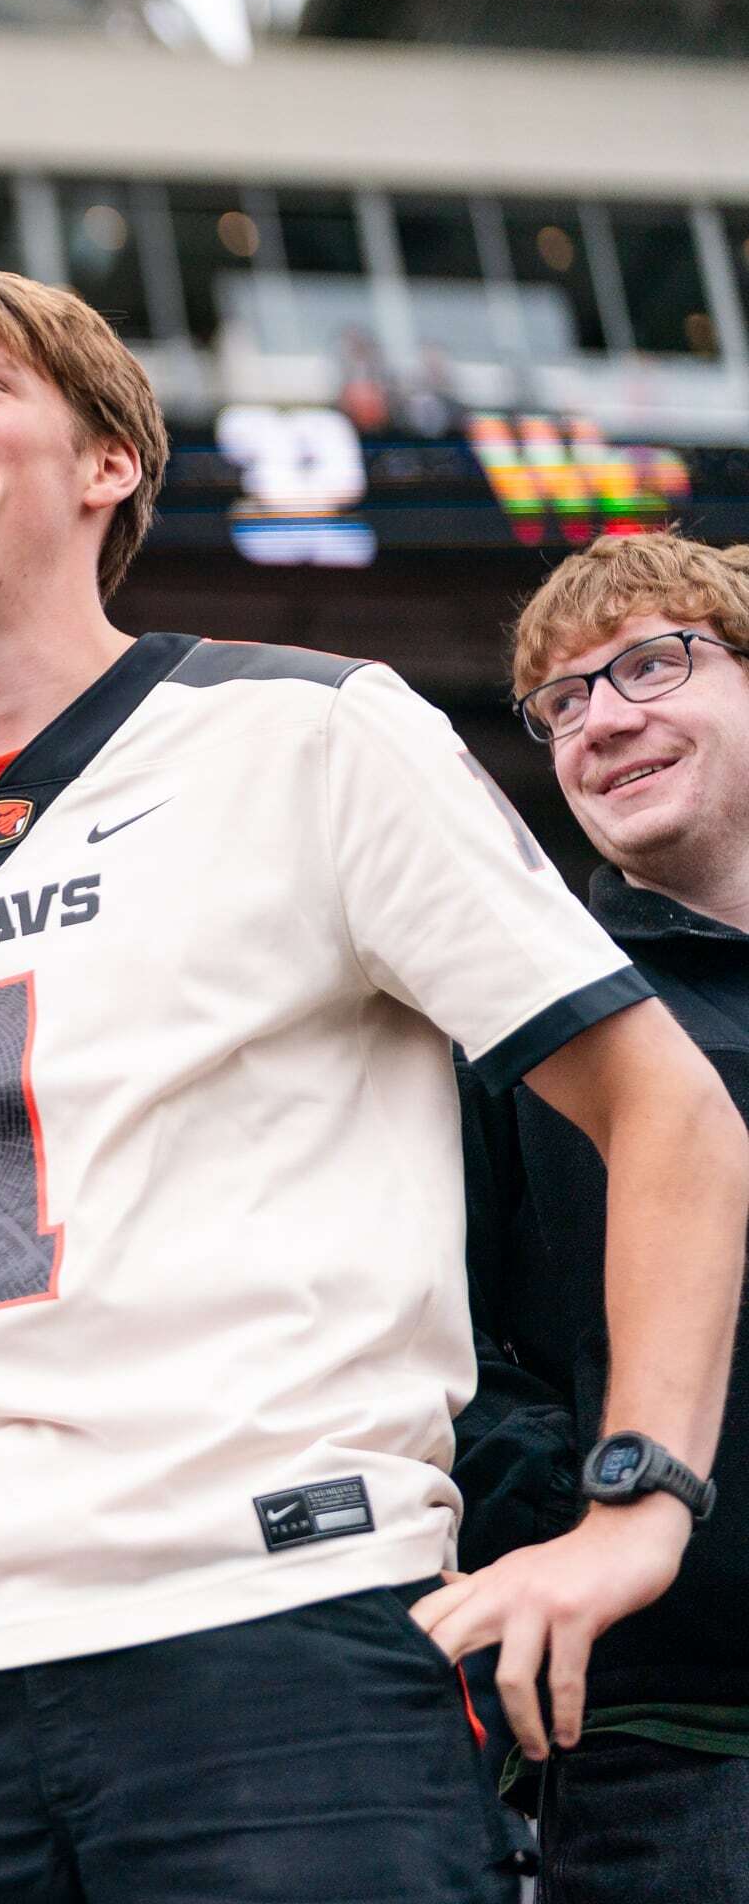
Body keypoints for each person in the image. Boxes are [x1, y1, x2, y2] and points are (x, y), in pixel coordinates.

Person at [0, 264, 748, 1904]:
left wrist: (641, 1498)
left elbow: (670, 1109)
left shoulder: (318, 738)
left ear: (107, 462)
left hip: (288, 1624)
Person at [457, 530, 749, 1902]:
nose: (603, 720)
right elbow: (445, 1356)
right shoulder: (522, 1030)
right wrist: (584, 1514)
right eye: (563, 701)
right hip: (673, 1753)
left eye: (652, 664)